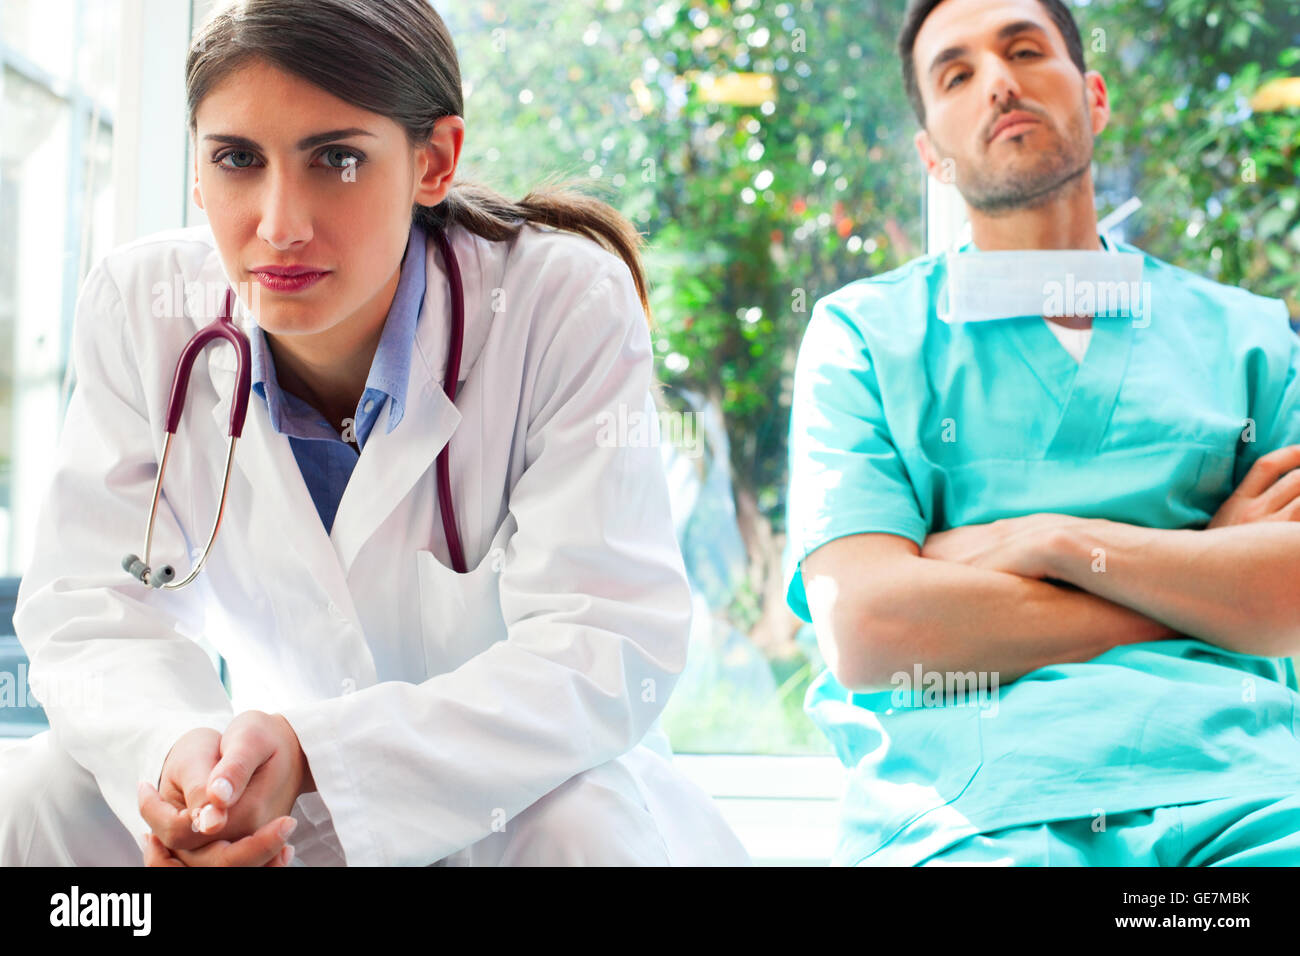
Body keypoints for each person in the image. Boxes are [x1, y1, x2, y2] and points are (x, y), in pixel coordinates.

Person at [0, 0, 750, 867]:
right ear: (198, 171)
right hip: (273, 801)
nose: (279, 223)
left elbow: (604, 643)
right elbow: (91, 607)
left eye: (337, 159)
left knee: (577, 826)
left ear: (433, 161)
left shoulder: (559, 303)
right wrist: (187, 774)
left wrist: (318, 756)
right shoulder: (141, 309)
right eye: (238, 158)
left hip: (516, 793)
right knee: (40, 799)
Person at [784, 0, 1300, 866]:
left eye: (1025, 49)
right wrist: (1203, 575)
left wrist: (1042, 540)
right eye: (956, 73)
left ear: (1094, 98)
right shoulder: (865, 336)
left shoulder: (1247, 337)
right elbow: (869, 628)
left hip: (1250, 802)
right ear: (931, 156)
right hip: (973, 820)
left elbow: (1288, 596)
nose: (999, 81)